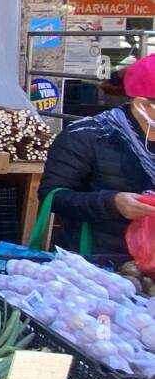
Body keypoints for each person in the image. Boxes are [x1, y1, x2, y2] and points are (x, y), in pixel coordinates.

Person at [40, 53, 155, 254]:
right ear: (142, 105)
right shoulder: (86, 135)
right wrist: (112, 202)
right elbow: (52, 195)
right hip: (101, 263)